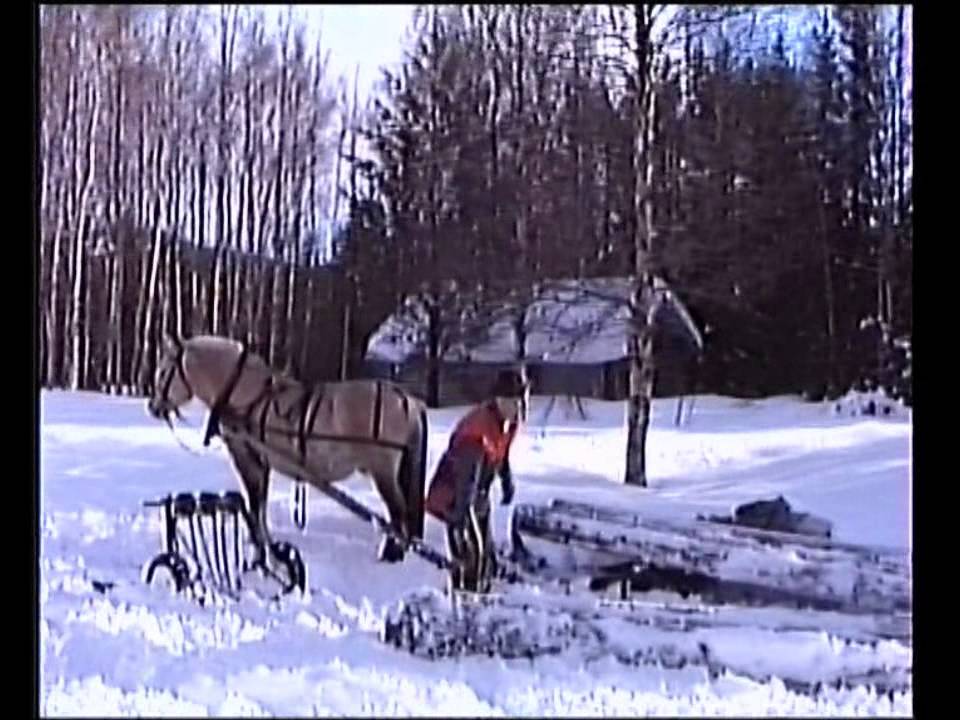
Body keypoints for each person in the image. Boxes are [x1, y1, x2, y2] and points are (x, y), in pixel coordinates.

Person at [424, 368, 529, 593]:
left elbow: (501, 453)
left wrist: (506, 480)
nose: (518, 408)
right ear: (499, 400)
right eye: (513, 402)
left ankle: (484, 589)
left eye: (521, 401)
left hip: (478, 494)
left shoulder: (507, 423)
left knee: (487, 555)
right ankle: (465, 598)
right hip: (455, 497)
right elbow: (466, 482)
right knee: (473, 556)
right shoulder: (476, 433)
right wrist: (461, 520)